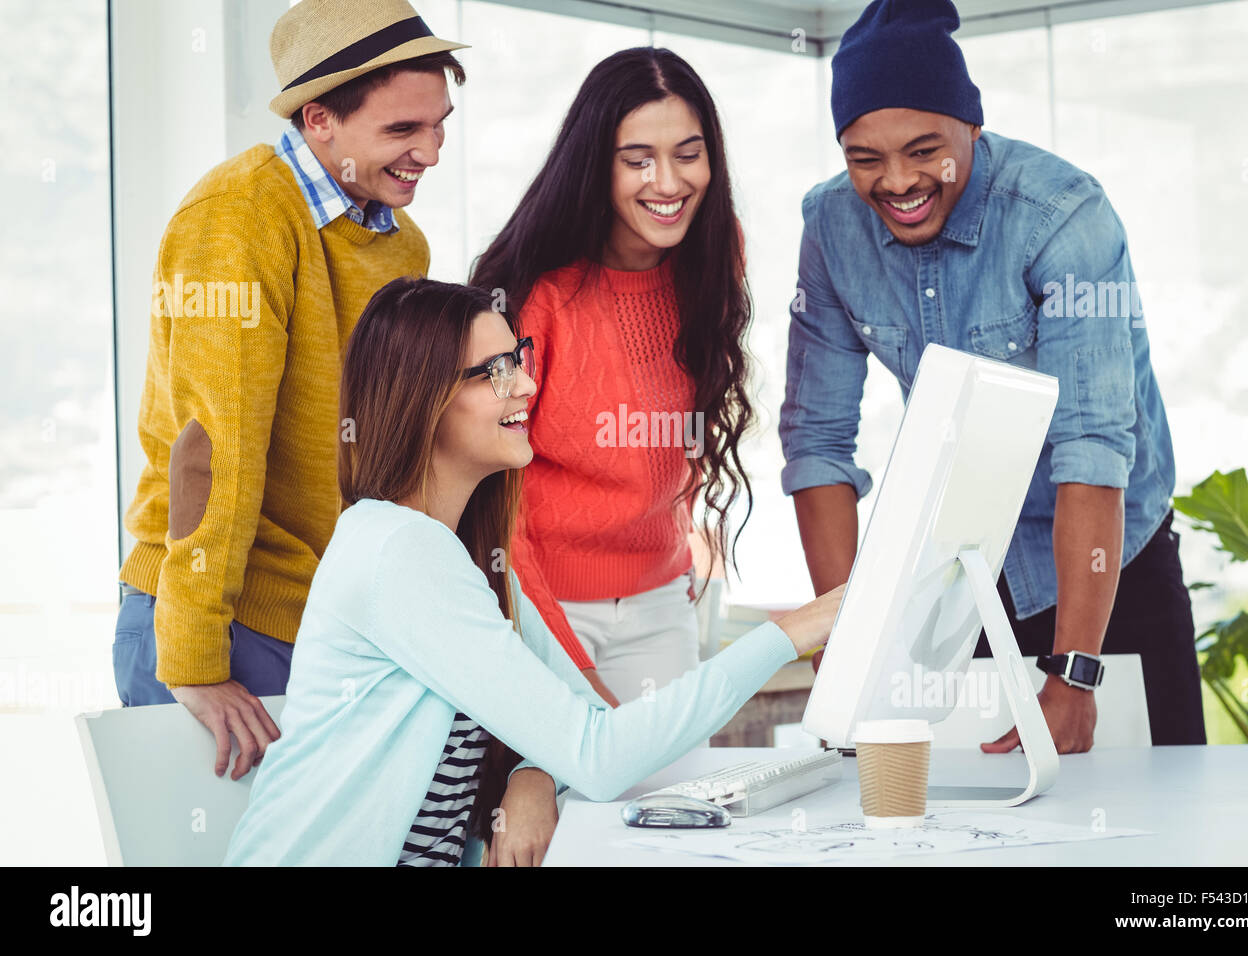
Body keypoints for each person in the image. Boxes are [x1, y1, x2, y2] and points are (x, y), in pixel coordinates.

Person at [222, 278, 844, 866]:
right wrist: (798, 628)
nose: (523, 385)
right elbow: (599, 756)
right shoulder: (398, 551)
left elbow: (584, 729)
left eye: (517, 358)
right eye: (495, 372)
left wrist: (534, 773)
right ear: (424, 400)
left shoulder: (472, 561)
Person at [779, 0, 1205, 751]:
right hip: (971, 567)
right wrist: (840, 646)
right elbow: (817, 442)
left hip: (1115, 562)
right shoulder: (831, 229)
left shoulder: (1063, 217)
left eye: (924, 150)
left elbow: (1092, 447)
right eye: (864, 158)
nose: (898, 182)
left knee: (1159, 811)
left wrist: (1073, 673)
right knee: (969, 812)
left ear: (971, 126)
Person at [112, 0, 478, 781]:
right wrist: (195, 656)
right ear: (319, 120)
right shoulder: (242, 215)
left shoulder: (401, 242)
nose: (432, 152)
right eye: (403, 131)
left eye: (440, 124)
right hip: (215, 613)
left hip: (325, 617)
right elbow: (214, 448)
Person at [470, 47, 755, 706]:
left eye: (689, 154)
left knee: (675, 805)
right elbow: (495, 498)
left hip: (662, 600)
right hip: (543, 597)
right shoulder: (533, 294)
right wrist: (574, 668)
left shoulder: (714, 256)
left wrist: (676, 543)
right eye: (637, 161)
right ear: (595, 165)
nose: (668, 183)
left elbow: (690, 412)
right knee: (564, 799)